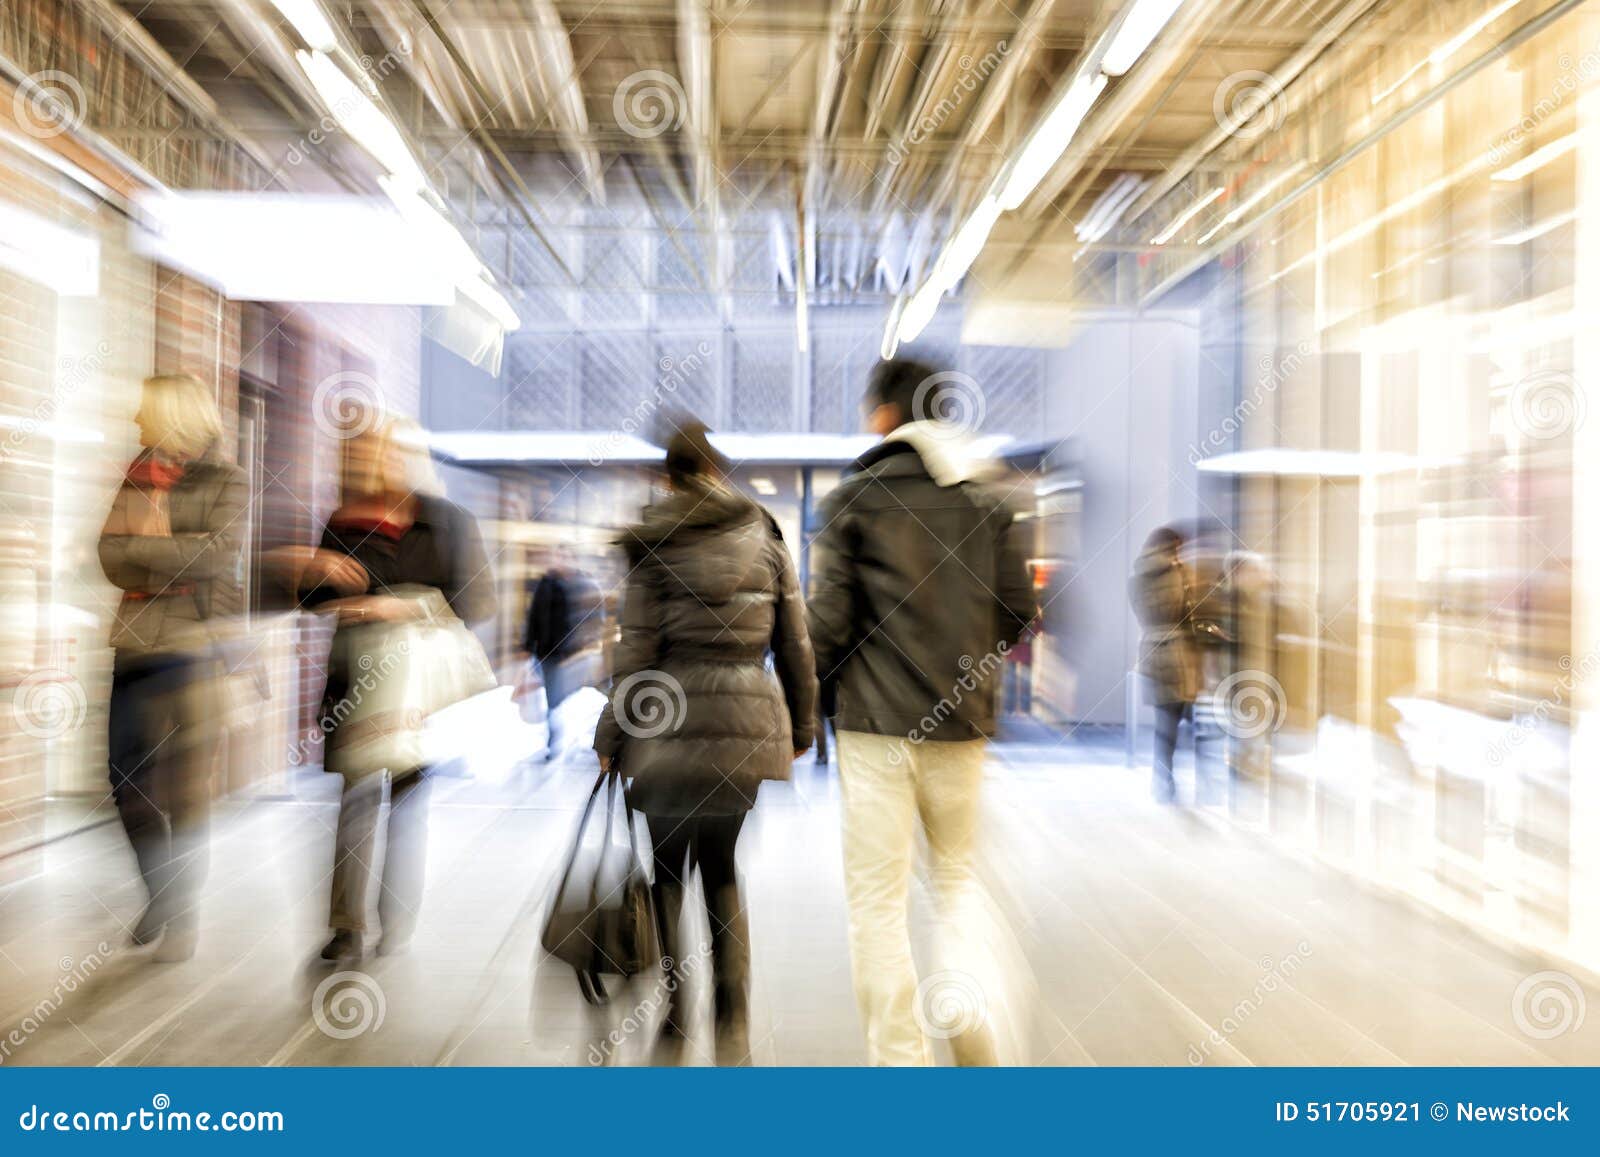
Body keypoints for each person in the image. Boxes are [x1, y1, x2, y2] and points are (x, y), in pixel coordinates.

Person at [806, 358, 1034, 1066]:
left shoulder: (854, 500)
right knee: (957, 882)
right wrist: (969, 666)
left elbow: (829, 624)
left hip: (876, 729)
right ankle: (969, 1021)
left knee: (877, 903)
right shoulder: (986, 501)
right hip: (961, 729)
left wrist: (815, 703)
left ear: (883, 415)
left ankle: (899, 1064)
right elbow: (1019, 613)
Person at [593, 419, 816, 1066]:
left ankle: (674, 1016)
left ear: (669, 477)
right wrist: (802, 727)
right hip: (744, 730)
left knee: (666, 874)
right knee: (721, 869)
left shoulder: (653, 543)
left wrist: (611, 733)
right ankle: (733, 1017)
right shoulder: (765, 535)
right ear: (716, 472)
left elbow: (634, 653)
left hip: (664, 727)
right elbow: (794, 644)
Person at [270, 415, 495, 963]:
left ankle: (393, 916)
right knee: (355, 805)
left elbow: (478, 601)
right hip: (355, 684)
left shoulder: (447, 522)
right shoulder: (343, 523)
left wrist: (402, 606)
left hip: (416, 687)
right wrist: (318, 568)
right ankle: (345, 927)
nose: (369, 464)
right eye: (360, 455)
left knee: (406, 805)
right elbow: (312, 602)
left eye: (379, 453)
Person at [98, 373, 246, 962]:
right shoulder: (136, 474)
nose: (136, 420)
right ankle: (163, 891)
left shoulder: (227, 479)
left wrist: (145, 548)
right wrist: (170, 559)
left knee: (185, 791)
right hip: (133, 645)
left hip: (194, 648)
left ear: (172, 415)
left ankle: (178, 903)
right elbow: (107, 557)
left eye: (144, 411)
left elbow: (218, 556)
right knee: (122, 778)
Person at [1130, 525, 1201, 804]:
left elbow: (1140, 613)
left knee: (1166, 720)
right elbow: (1191, 613)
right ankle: (1193, 777)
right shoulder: (1183, 574)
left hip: (1150, 647)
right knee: (1187, 717)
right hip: (1179, 650)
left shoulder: (1136, 578)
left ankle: (1163, 776)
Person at [523, 545, 605, 757]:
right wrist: (528, 646)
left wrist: (590, 640)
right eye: (558, 556)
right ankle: (554, 741)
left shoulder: (584, 584)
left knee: (576, 696)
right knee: (553, 701)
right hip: (548, 653)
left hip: (575, 654)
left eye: (566, 556)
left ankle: (586, 737)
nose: (561, 560)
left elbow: (597, 615)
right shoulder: (545, 584)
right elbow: (533, 616)